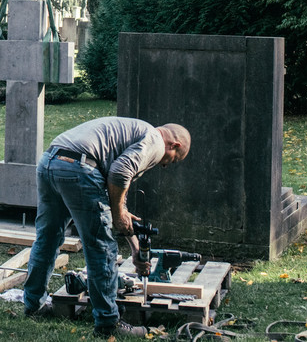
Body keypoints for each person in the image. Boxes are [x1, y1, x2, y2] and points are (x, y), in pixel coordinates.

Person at [21, 117, 191, 340]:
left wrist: (135, 249)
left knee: (48, 238)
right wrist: (119, 213)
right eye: (173, 160)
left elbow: (118, 198)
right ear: (174, 145)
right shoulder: (156, 142)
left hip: (50, 162)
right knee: (101, 248)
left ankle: (34, 305)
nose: (165, 165)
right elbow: (120, 174)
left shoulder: (131, 132)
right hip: (80, 169)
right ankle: (108, 323)